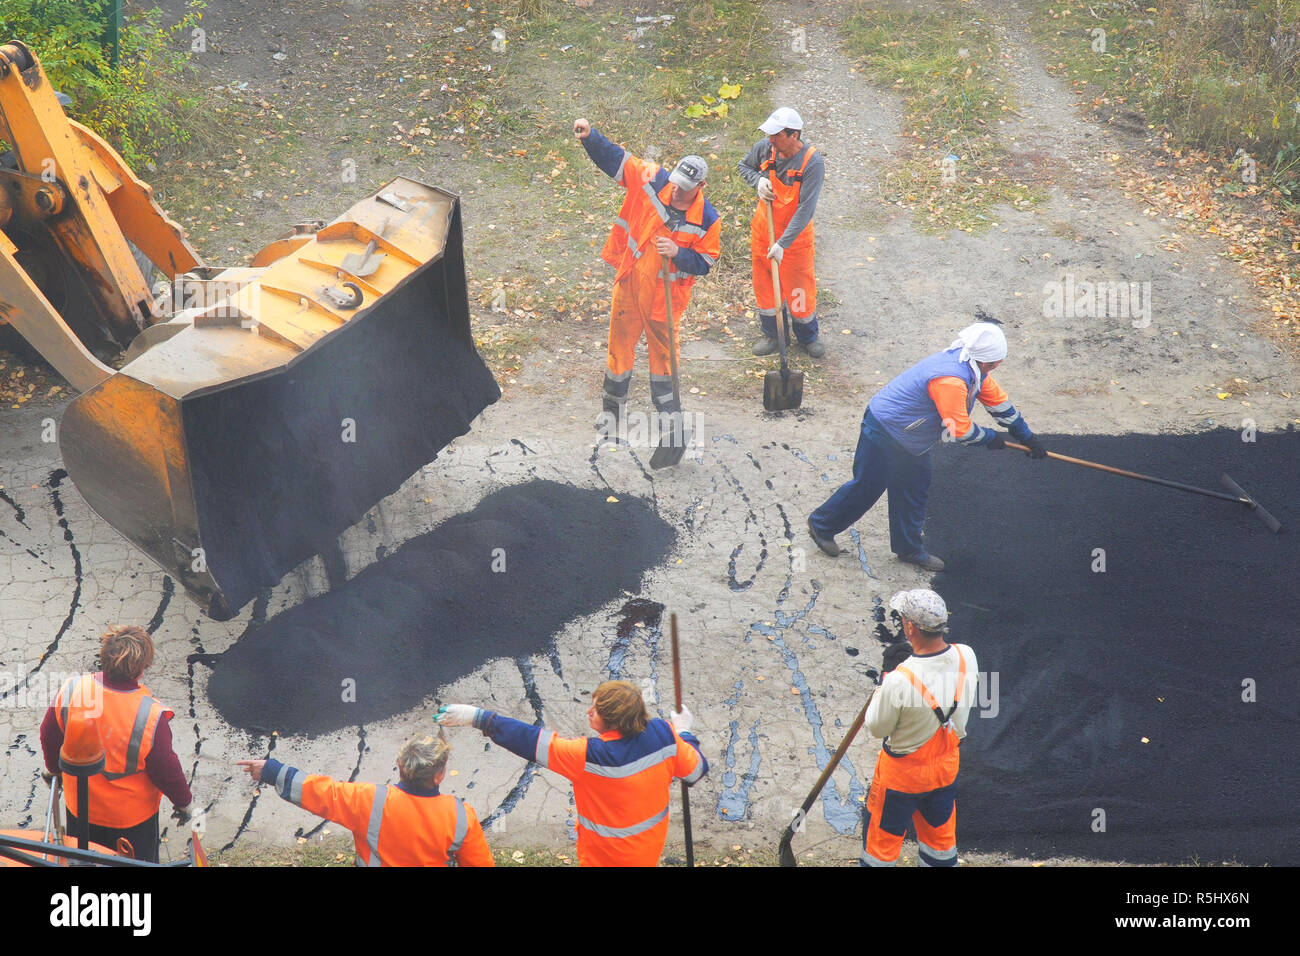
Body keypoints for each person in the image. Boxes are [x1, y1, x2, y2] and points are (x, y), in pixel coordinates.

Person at [807, 318, 1047, 571]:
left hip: (912, 440)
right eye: (1000, 360)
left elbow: (1000, 406)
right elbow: (960, 430)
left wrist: (1025, 436)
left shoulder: (975, 370)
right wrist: (990, 438)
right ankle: (822, 525)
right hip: (884, 430)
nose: (1001, 363)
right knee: (868, 486)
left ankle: (909, 549)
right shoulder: (951, 380)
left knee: (913, 490)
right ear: (990, 360)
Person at [435, 679, 707, 866]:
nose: (589, 712)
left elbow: (530, 741)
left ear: (612, 720)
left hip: (603, 859)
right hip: (647, 853)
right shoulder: (664, 735)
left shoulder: (589, 757)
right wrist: (684, 733)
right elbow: (695, 771)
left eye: (596, 710)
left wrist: (479, 718)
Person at [574, 117, 722, 444]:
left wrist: (679, 254)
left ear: (701, 187)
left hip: (664, 300)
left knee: (664, 360)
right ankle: (611, 417)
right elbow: (619, 161)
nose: (679, 192)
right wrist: (591, 137)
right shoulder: (654, 180)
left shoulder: (708, 221)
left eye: (687, 188)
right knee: (619, 351)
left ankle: (670, 427)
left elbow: (706, 261)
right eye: (678, 184)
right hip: (630, 283)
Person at [40, 625, 192, 863]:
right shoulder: (150, 715)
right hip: (131, 823)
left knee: (81, 861)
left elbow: (50, 734)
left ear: (103, 658)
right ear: (142, 669)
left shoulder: (72, 690)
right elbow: (166, 768)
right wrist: (184, 803)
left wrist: (55, 770)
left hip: (80, 808)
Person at [236, 732, 493, 867]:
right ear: (440, 775)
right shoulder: (462, 816)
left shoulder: (369, 801)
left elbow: (321, 792)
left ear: (400, 767)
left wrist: (271, 770)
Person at [861, 589, 979, 867]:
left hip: (901, 781)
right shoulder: (966, 656)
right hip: (945, 772)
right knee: (940, 846)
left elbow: (877, 728)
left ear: (910, 627)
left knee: (880, 849)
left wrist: (885, 681)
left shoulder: (899, 680)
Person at [738, 107, 827, 359]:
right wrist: (758, 181)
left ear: (794, 135)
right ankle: (774, 336)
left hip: (794, 241)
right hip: (763, 233)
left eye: (776, 135)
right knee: (766, 289)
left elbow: (805, 210)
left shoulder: (812, 163)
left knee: (799, 289)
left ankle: (807, 337)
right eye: (769, 134)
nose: (771, 139)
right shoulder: (765, 149)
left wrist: (783, 243)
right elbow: (743, 166)